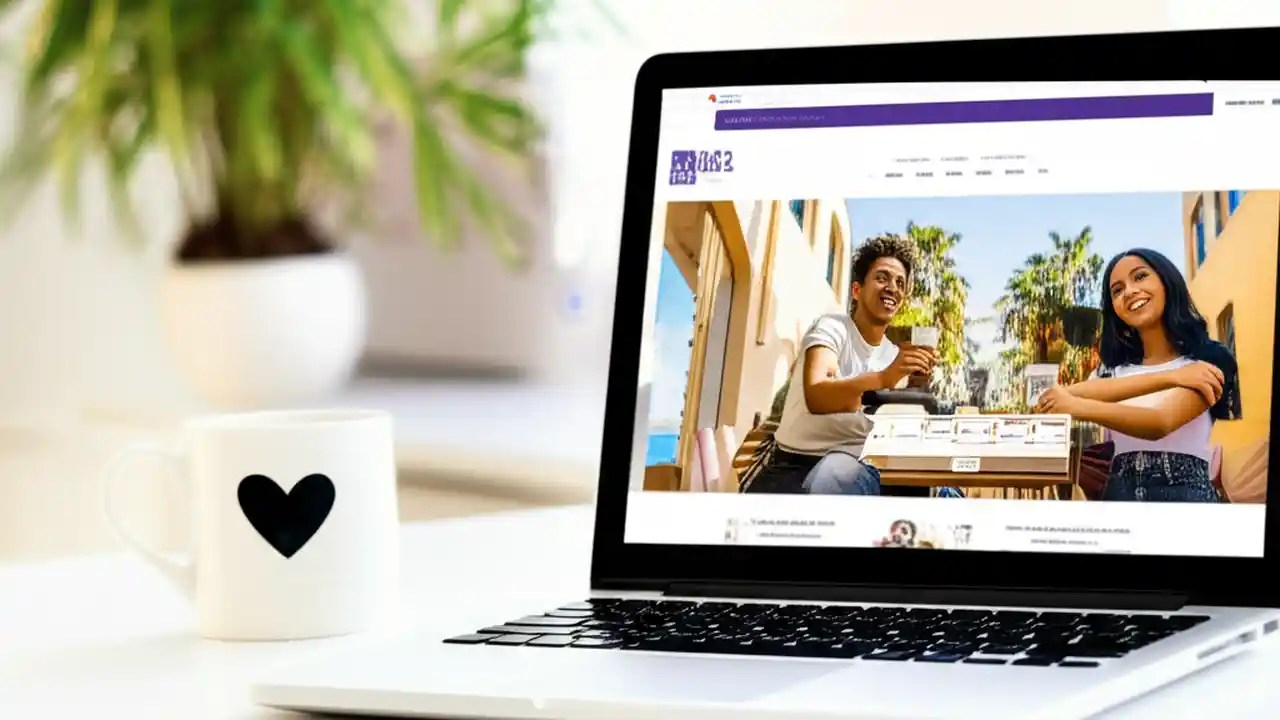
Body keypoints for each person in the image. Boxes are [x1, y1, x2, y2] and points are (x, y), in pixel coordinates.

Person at [1035, 248, 1241, 502]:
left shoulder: (1208, 359)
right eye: (1117, 290)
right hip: (1118, 497)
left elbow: (1159, 423)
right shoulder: (1111, 369)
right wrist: (1171, 377)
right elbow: (1064, 395)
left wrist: (1075, 406)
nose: (1130, 292)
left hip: (1186, 500)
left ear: (1166, 281)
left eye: (1140, 276)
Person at [744, 234, 937, 495]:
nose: (893, 287)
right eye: (882, 278)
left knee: (935, 490)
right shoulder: (832, 328)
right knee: (836, 476)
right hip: (798, 463)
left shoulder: (894, 354)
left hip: (866, 462)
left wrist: (914, 388)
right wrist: (883, 378)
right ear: (857, 290)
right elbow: (818, 396)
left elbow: (887, 420)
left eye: (900, 282)